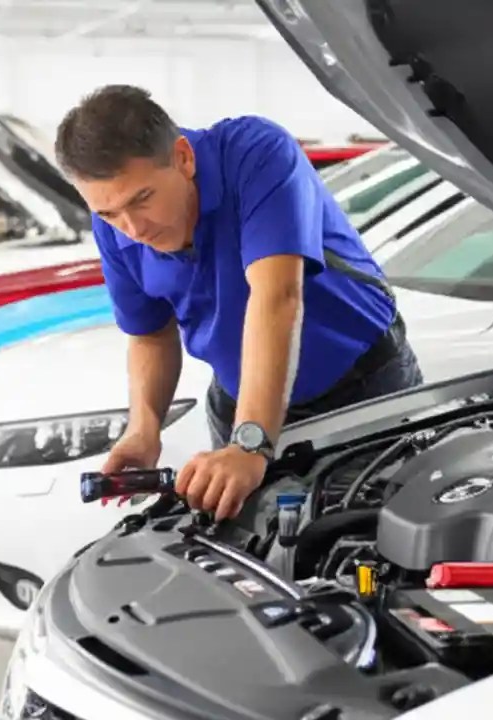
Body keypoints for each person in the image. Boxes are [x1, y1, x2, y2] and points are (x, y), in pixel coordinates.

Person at [54, 84, 423, 520]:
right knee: (249, 565)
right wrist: (143, 428)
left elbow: (277, 296)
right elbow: (151, 335)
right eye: (109, 213)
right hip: (239, 408)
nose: (132, 227)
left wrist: (251, 443)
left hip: (361, 393)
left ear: (184, 158)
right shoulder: (115, 223)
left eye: (142, 199)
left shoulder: (256, 154)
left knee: (367, 555)